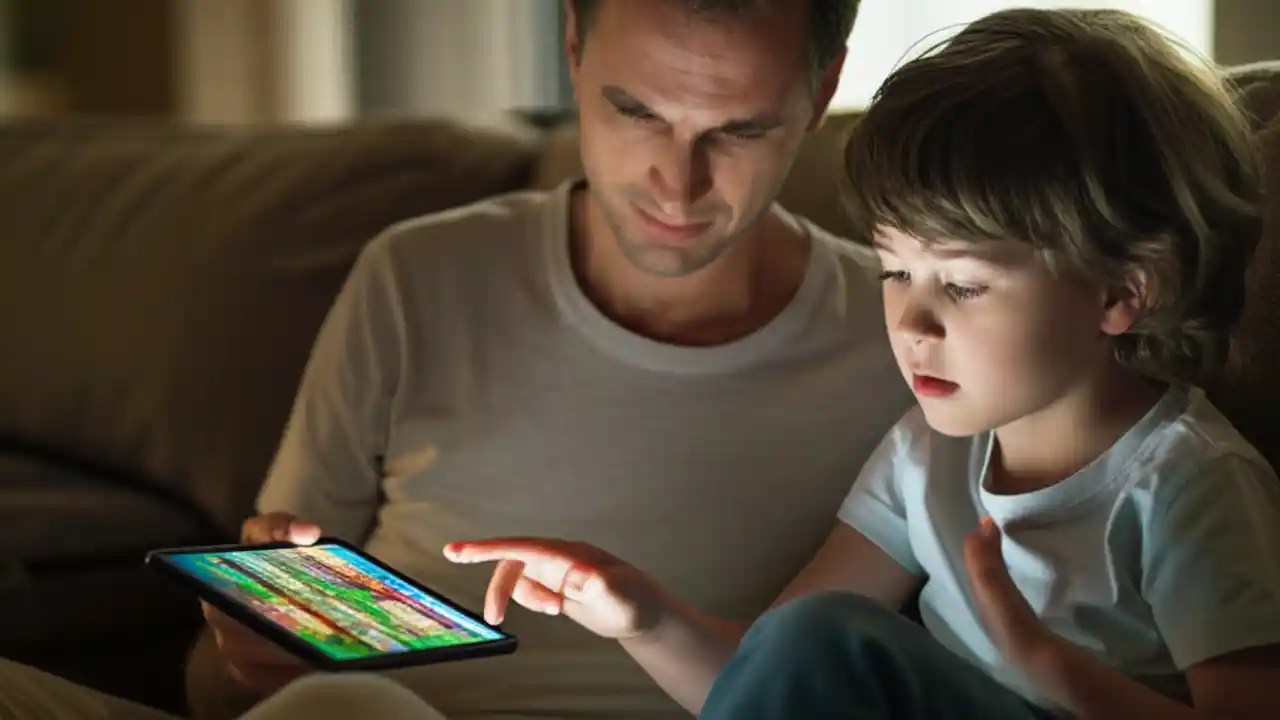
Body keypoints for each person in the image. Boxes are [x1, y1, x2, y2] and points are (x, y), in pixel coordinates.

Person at [446, 8, 1280, 719]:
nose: (913, 322)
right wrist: (641, 617)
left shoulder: (1184, 484)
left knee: (827, 633)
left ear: (1119, 294)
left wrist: (1049, 667)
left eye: (962, 284)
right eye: (895, 271)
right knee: (806, 637)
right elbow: (770, 681)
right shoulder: (928, 452)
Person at [186, 0, 910, 718]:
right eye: (637, 111)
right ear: (572, 44)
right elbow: (215, 683)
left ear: (820, 95)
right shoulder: (417, 278)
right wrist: (248, 657)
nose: (677, 182)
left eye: (739, 130)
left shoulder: (908, 336)